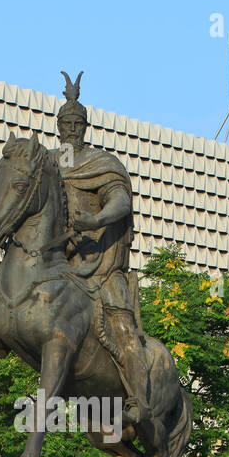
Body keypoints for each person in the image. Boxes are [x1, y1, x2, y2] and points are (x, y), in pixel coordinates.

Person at [52, 70, 148, 423]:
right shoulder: (52, 163)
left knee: (123, 331)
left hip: (100, 265)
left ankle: (138, 399)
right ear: (59, 126)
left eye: (78, 124)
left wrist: (95, 220)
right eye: (67, 124)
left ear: (85, 127)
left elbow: (120, 202)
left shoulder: (99, 163)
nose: (72, 130)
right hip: (60, 263)